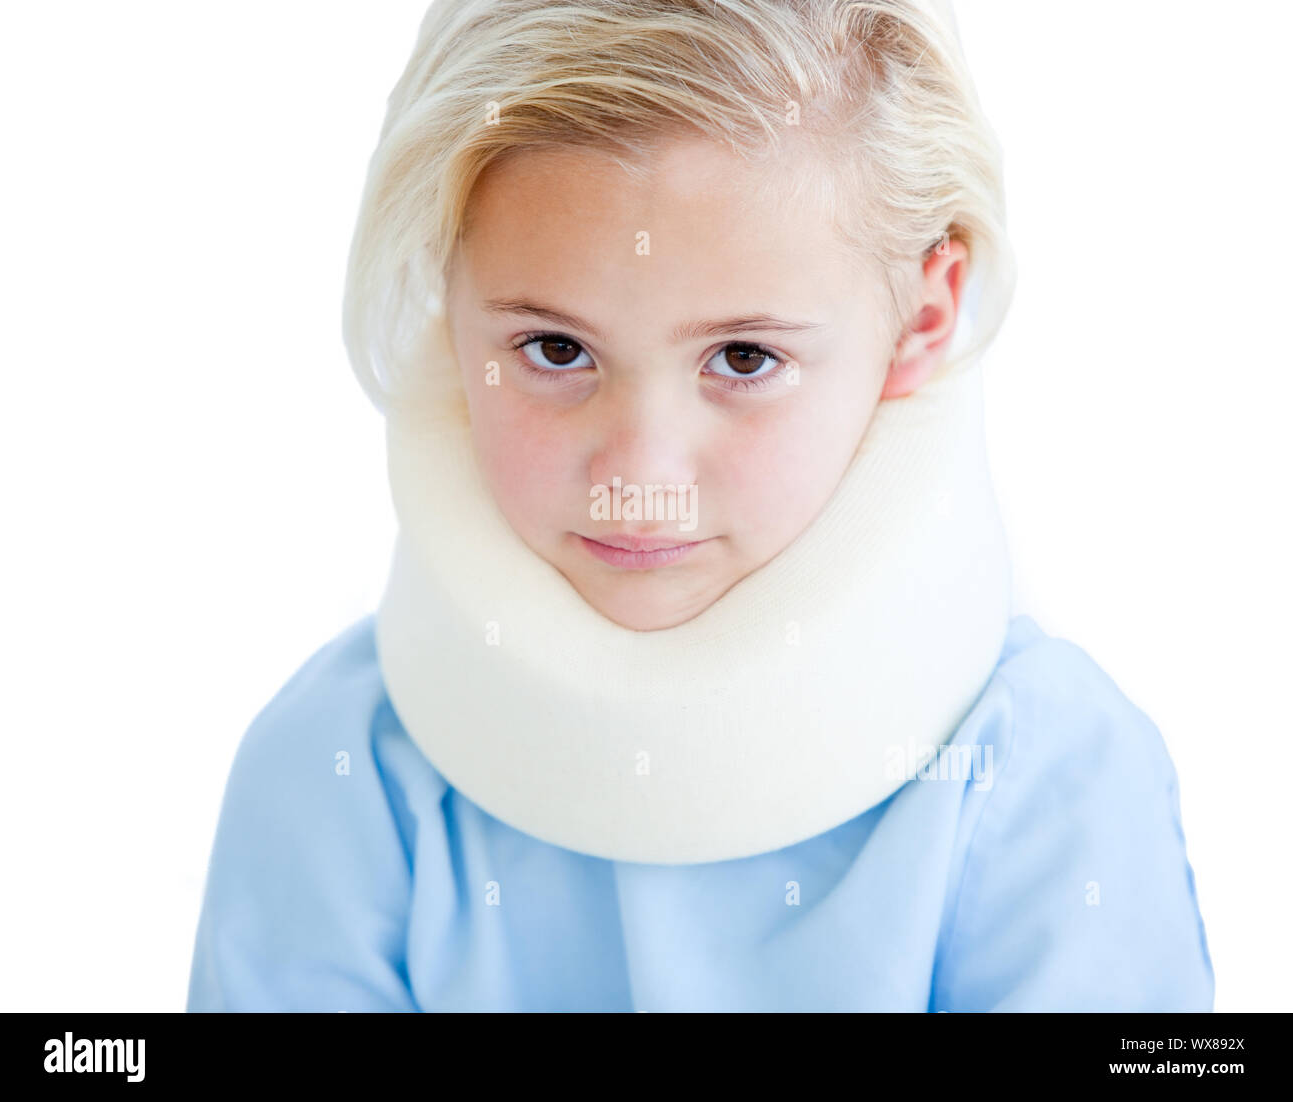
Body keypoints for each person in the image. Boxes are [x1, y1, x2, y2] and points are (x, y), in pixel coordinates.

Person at [186, 0, 1213, 1011]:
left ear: (924, 315)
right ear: (445, 299)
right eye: (555, 350)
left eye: (743, 357)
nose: (639, 470)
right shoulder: (336, 772)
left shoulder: (1051, 784)